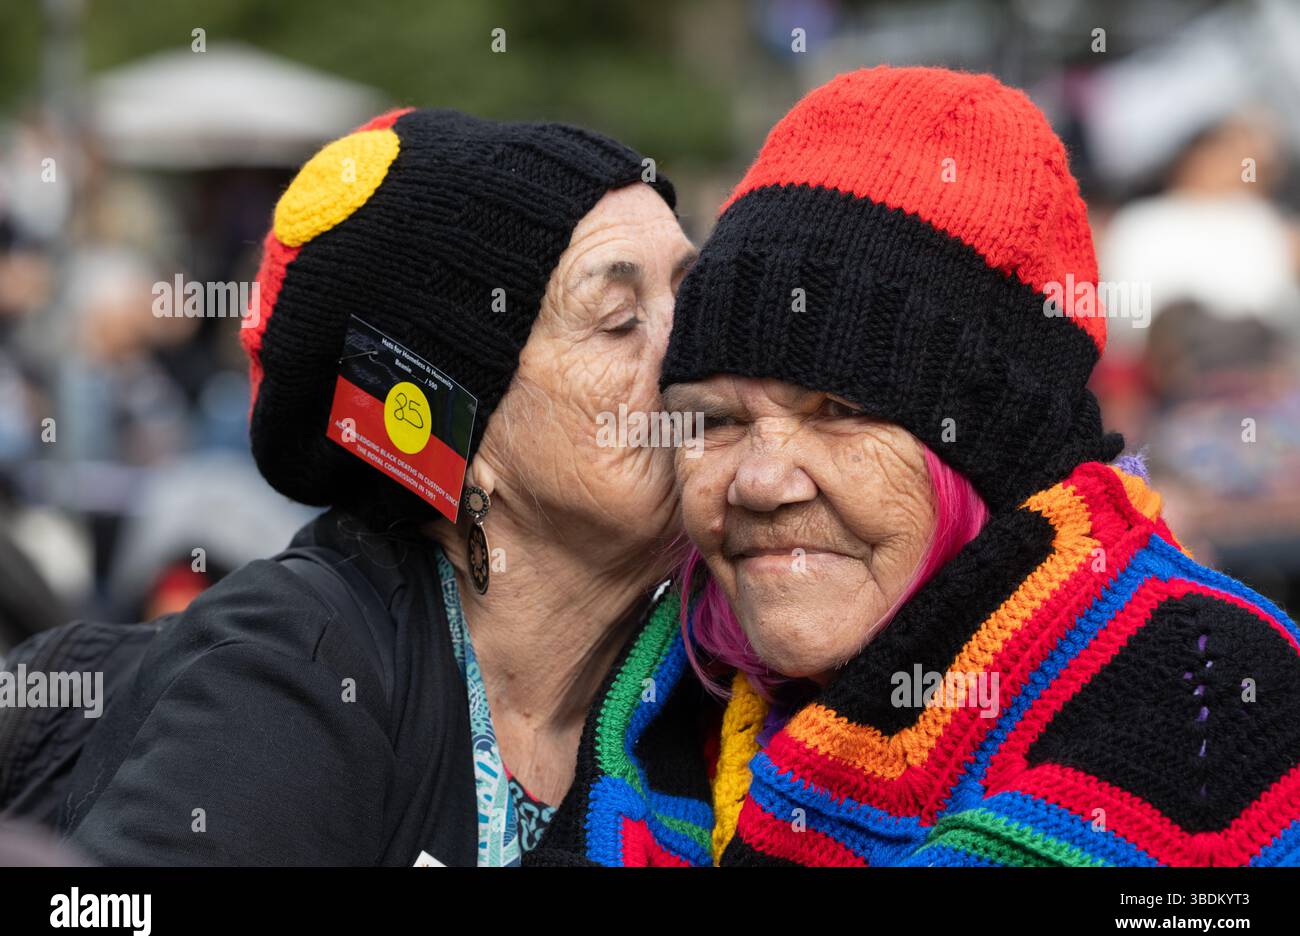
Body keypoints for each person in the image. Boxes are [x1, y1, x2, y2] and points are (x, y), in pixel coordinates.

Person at [526, 67, 1300, 867]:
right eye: (714, 420)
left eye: (840, 412)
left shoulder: (1204, 701)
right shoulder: (664, 703)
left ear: (991, 457)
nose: (760, 481)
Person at [58, 107, 698, 866]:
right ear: (464, 436)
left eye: (695, 296)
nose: (694, 349)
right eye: (621, 319)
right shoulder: (294, 670)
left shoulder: (732, 664)